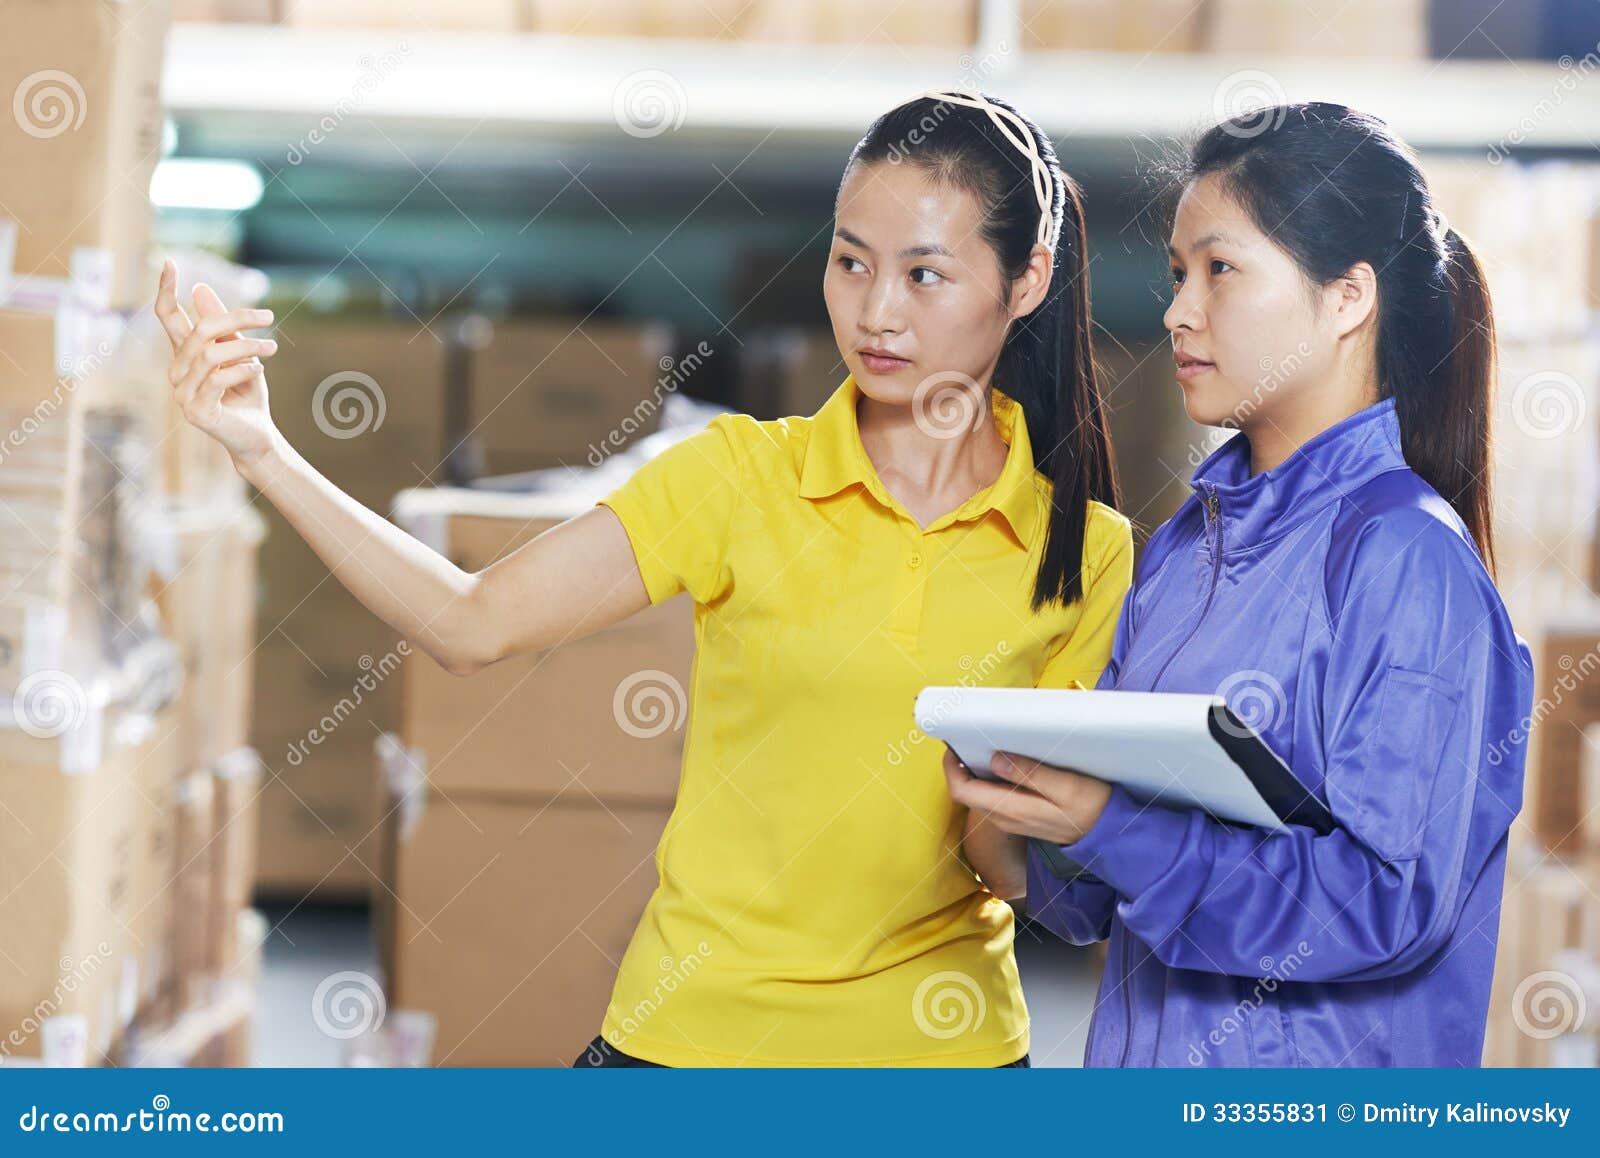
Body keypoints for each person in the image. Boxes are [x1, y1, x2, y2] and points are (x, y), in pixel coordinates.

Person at [154, 89, 1131, 1067]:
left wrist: (1042, 826)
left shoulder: (1083, 551)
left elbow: (1017, 876)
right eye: (850, 262)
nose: (876, 311)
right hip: (693, 1046)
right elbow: (470, 621)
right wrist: (262, 449)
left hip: (938, 1062)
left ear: (1026, 279)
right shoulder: (740, 477)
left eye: (925, 274)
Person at [949, 102, 1536, 1068]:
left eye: (1220, 270)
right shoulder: (1183, 551)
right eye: (1180, 274)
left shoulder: (1405, 562)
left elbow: (1383, 904)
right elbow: (1100, 903)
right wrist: (1015, 830)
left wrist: (1115, 828)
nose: (1179, 310)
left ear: (1347, 299)